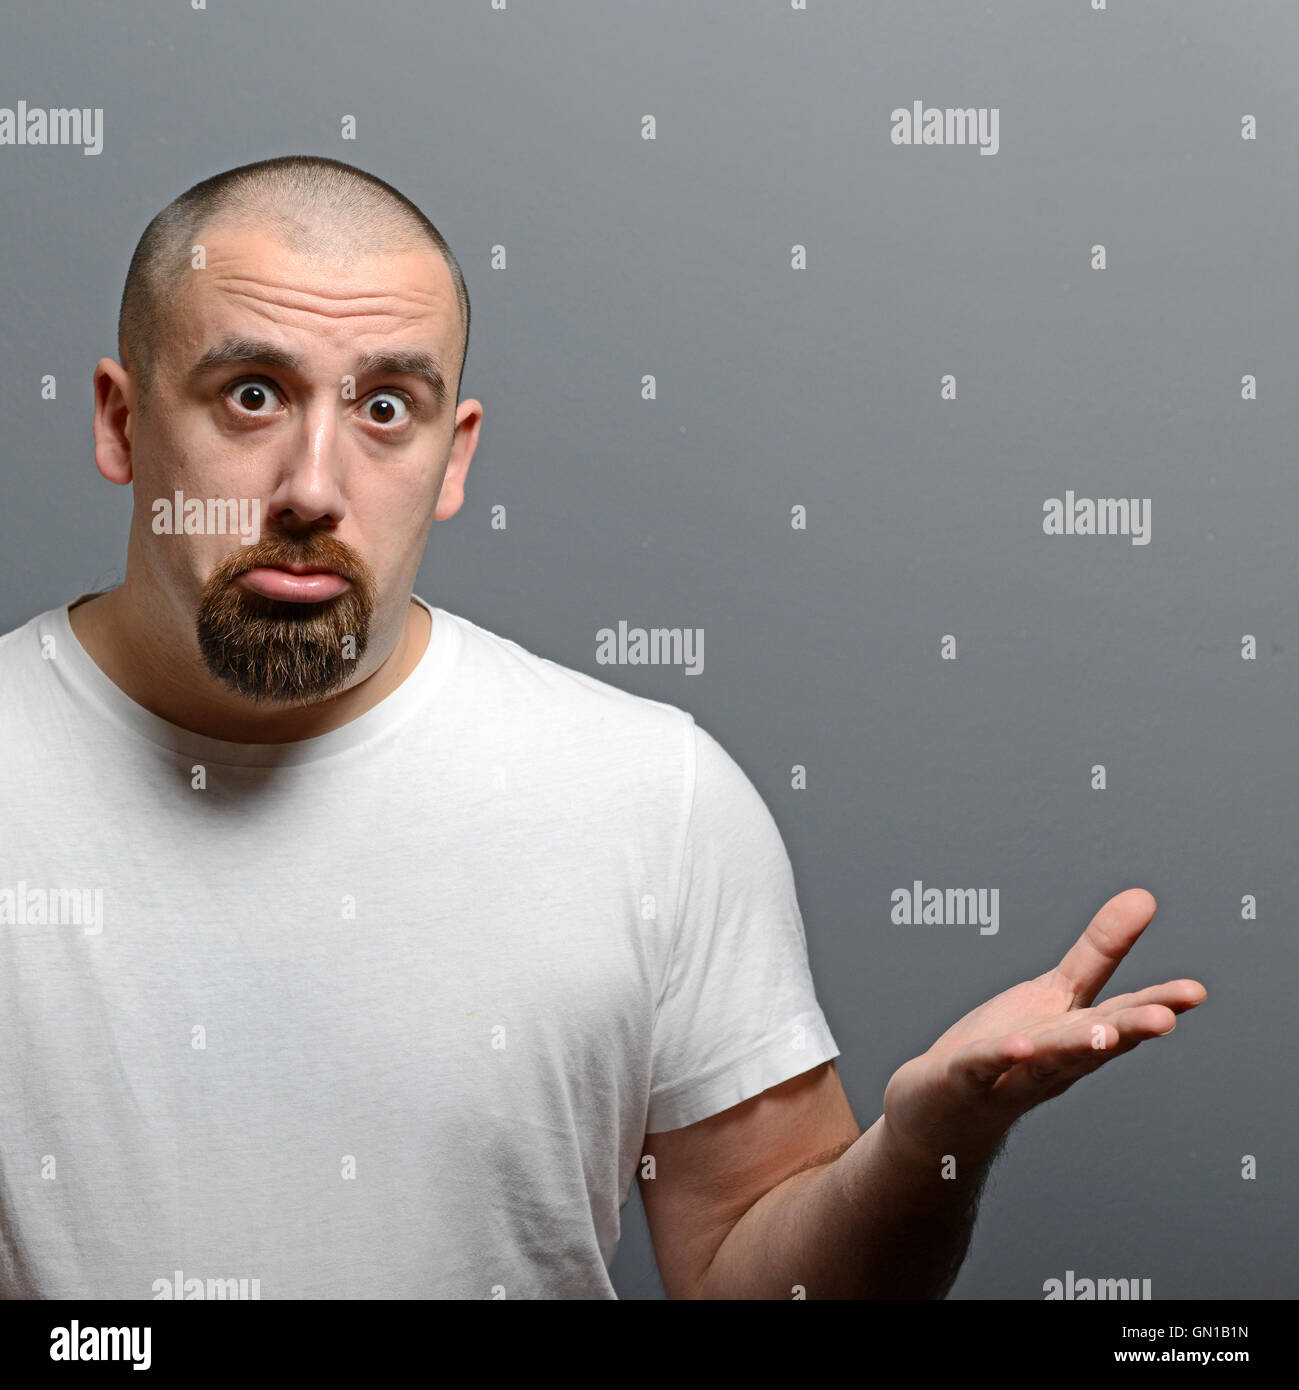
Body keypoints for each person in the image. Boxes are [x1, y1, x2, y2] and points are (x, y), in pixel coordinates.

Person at [0, 155, 1206, 1300]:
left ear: (452, 454)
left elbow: (754, 1278)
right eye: (251, 394)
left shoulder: (648, 795)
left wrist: (932, 1147)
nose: (313, 485)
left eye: (383, 406)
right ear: (120, 421)